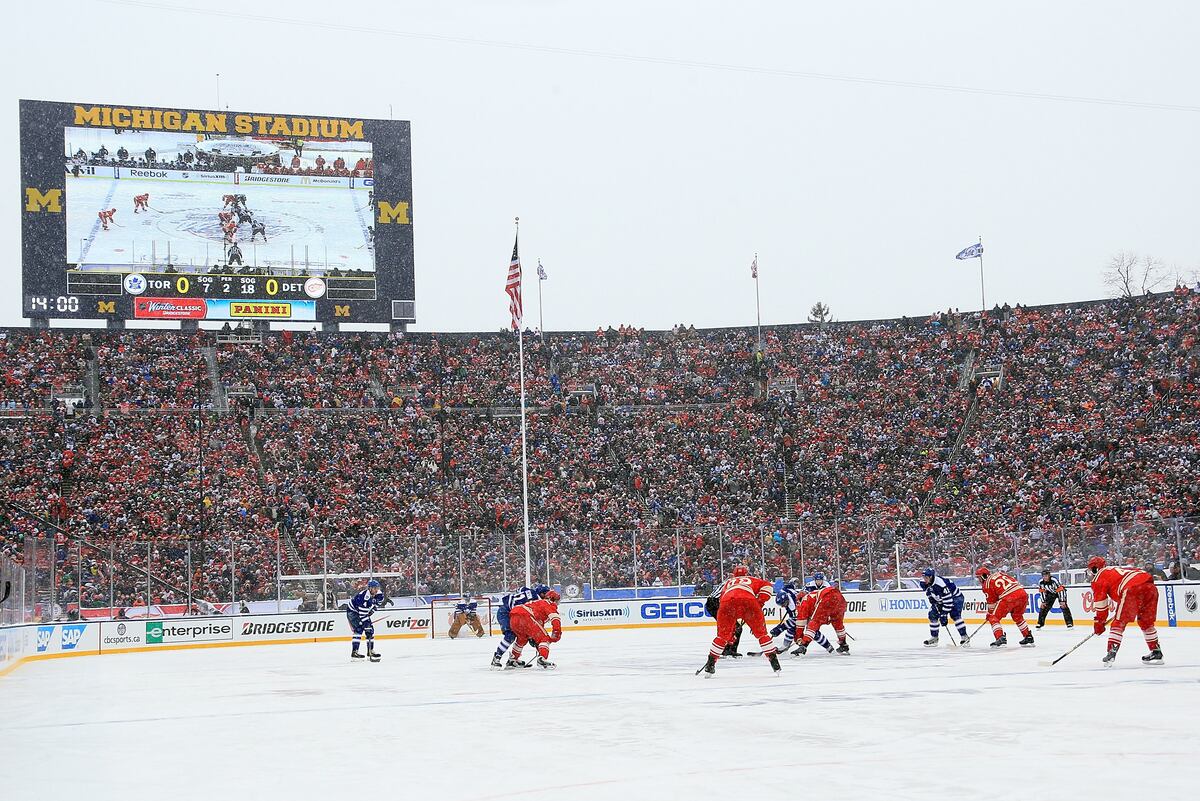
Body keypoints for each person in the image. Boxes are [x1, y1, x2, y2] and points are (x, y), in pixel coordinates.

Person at [697, 565, 780, 677]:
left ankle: (711, 663)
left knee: (722, 636)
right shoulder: (751, 579)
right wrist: (759, 602)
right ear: (746, 573)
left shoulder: (728, 582)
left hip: (725, 602)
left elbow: (723, 599)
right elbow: (768, 587)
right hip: (748, 601)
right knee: (762, 634)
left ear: (734, 574)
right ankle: (774, 662)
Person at [1088, 556, 1162, 666]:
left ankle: (1111, 652)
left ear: (1094, 569)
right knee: (1146, 622)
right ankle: (1156, 651)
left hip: (1132, 589)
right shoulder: (1116, 569)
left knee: (1119, 622)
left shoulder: (1099, 577)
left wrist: (1099, 623)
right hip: (1150, 587)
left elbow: (1101, 605)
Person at [490, 583, 550, 668]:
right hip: (506, 612)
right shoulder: (537, 601)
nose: (548, 597)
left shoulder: (531, 593)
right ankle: (496, 658)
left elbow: (522, 589)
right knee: (510, 635)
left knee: (522, 636)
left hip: (512, 612)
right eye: (547, 594)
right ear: (542, 593)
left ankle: (512, 660)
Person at [977, 565, 1033, 647]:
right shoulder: (1000, 574)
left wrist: (989, 614)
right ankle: (1028, 636)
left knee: (993, 618)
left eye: (979, 578)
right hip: (1022, 594)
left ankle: (1000, 637)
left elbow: (991, 603)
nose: (979, 580)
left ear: (983, 576)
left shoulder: (987, 584)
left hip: (1009, 597)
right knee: (1017, 616)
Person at [506, 590, 562, 669]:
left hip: (513, 616)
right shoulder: (548, 604)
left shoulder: (536, 603)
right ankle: (542, 659)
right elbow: (555, 618)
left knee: (522, 639)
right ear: (552, 599)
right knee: (544, 638)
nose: (557, 603)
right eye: (557, 601)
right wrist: (557, 632)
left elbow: (537, 625)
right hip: (525, 616)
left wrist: (534, 639)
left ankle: (512, 660)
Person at [793, 581, 850, 655]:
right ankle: (843, 644)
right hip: (840, 598)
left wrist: (799, 637)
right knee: (838, 624)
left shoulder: (805, 600)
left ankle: (804, 646)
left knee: (814, 623)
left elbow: (801, 623)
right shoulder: (813, 594)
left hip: (828, 597)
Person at [921, 567, 968, 646]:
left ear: (931, 577)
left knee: (955, 615)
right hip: (942, 599)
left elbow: (948, 601)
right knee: (932, 615)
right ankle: (934, 638)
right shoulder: (925, 582)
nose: (924, 579)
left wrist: (944, 614)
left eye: (926, 577)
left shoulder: (940, 585)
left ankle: (964, 637)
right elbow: (928, 591)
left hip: (956, 597)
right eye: (923, 577)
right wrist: (931, 598)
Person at [346, 578, 387, 662]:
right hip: (352, 611)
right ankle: (354, 653)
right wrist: (366, 624)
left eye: (377, 588)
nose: (376, 590)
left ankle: (370, 651)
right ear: (370, 588)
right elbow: (362, 614)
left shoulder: (379, 595)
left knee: (370, 631)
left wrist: (372, 611)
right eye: (374, 588)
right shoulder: (364, 597)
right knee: (359, 629)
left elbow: (377, 604)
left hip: (361, 612)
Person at [769, 578, 802, 652]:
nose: (782, 606)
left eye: (783, 604)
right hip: (798, 608)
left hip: (805, 612)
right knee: (792, 628)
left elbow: (795, 620)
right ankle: (785, 645)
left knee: (798, 629)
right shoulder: (784, 591)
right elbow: (787, 587)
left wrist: (780, 628)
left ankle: (802, 645)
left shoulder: (793, 605)